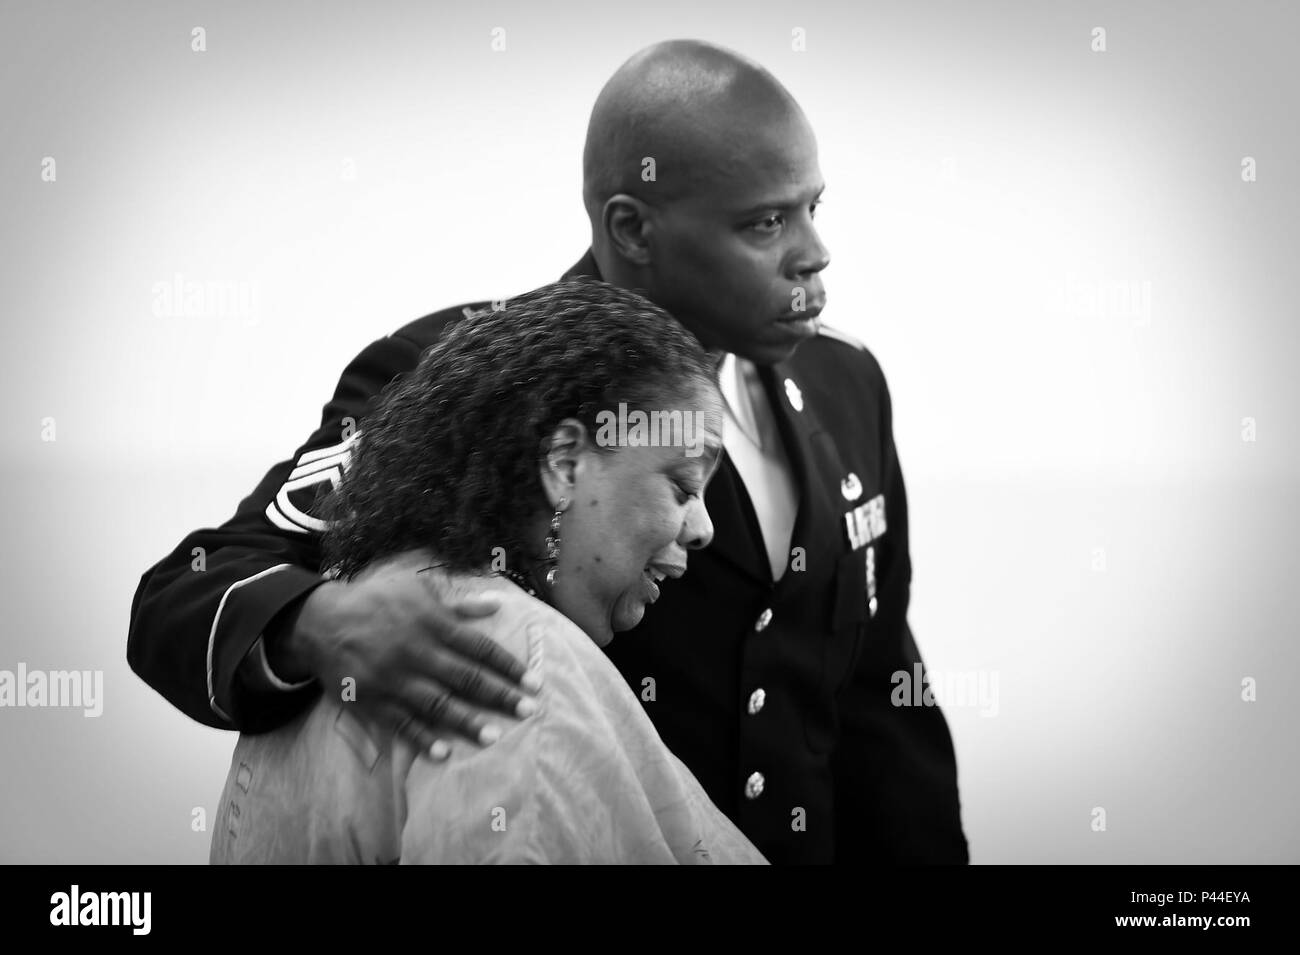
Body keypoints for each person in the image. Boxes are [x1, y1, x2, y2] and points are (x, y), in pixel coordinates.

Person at [129, 39, 969, 864]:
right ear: (632, 227)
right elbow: (186, 590)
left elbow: (882, 709)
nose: (813, 252)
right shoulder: (467, 373)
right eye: (765, 222)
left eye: (813, 207)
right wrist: (316, 623)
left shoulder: (845, 381)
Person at [210, 280, 764, 864]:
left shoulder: (356, 610)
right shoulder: (513, 666)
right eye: (682, 486)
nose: (703, 528)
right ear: (566, 463)